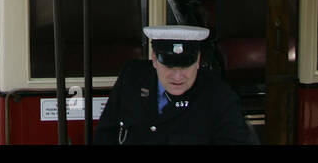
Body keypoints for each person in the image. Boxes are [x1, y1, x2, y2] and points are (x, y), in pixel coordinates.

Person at [93, 25, 256, 145]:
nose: (178, 77)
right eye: (169, 67)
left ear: (198, 61)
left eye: (185, 67)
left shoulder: (219, 96)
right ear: (154, 59)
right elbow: (105, 135)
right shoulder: (132, 78)